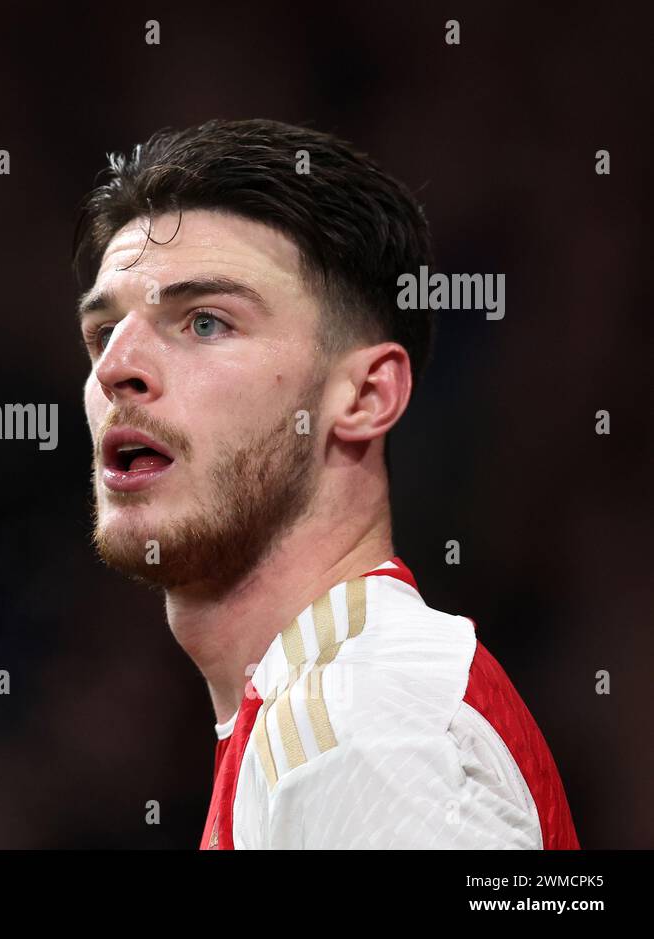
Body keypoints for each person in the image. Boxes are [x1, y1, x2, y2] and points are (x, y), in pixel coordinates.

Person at [71, 118, 578, 849]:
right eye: (103, 332)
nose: (116, 367)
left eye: (206, 321)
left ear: (367, 397)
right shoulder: (314, 714)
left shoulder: (358, 725)